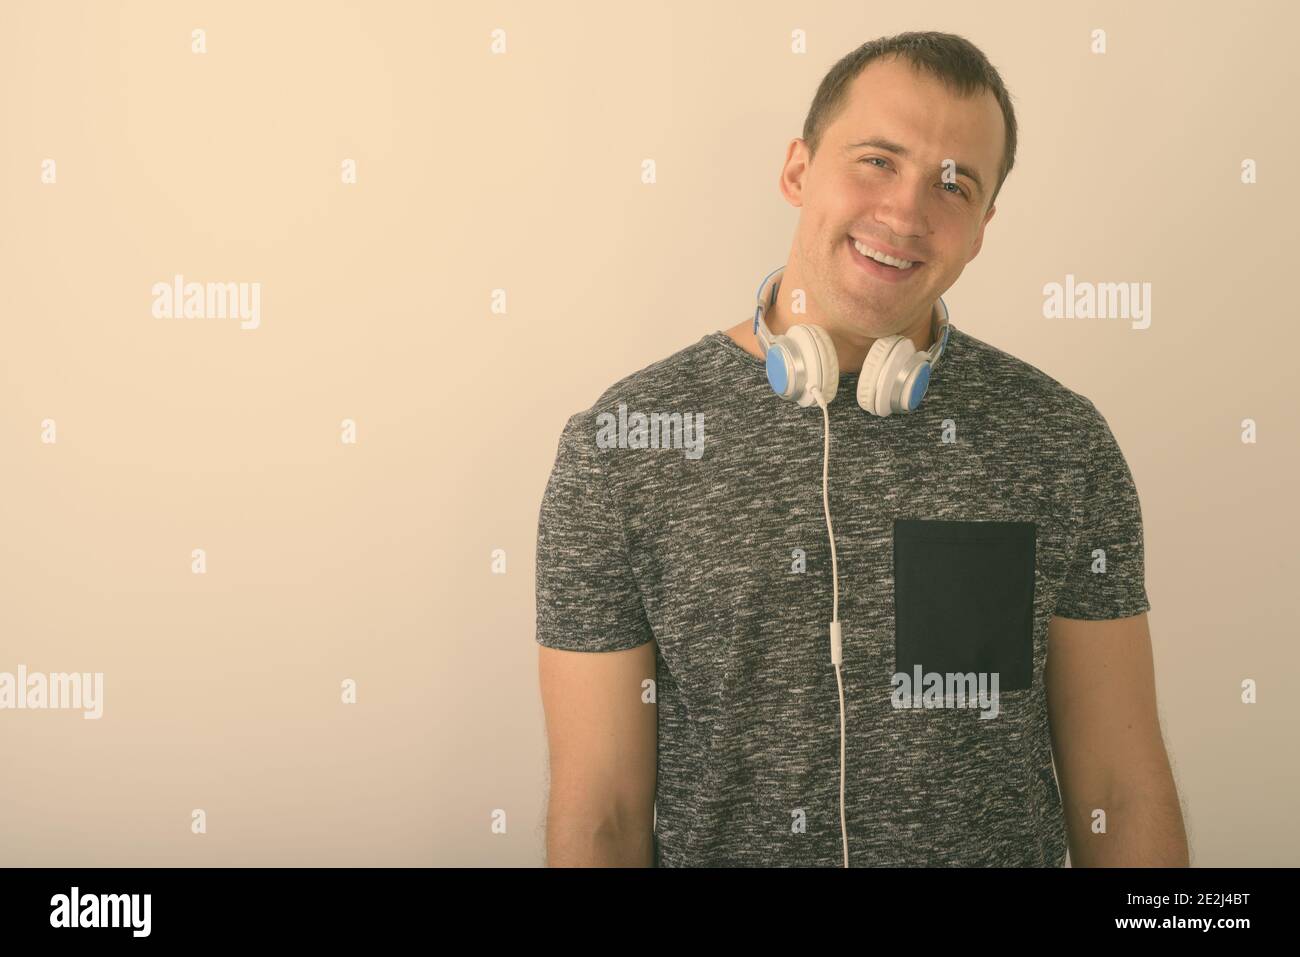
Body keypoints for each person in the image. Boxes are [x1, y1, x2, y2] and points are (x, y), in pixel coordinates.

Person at [535, 31, 1188, 867]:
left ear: (984, 226)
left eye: (955, 184)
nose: (908, 213)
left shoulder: (1060, 441)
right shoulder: (621, 448)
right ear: (799, 171)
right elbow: (603, 815)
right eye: (877, 160)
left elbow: (1121, 788)